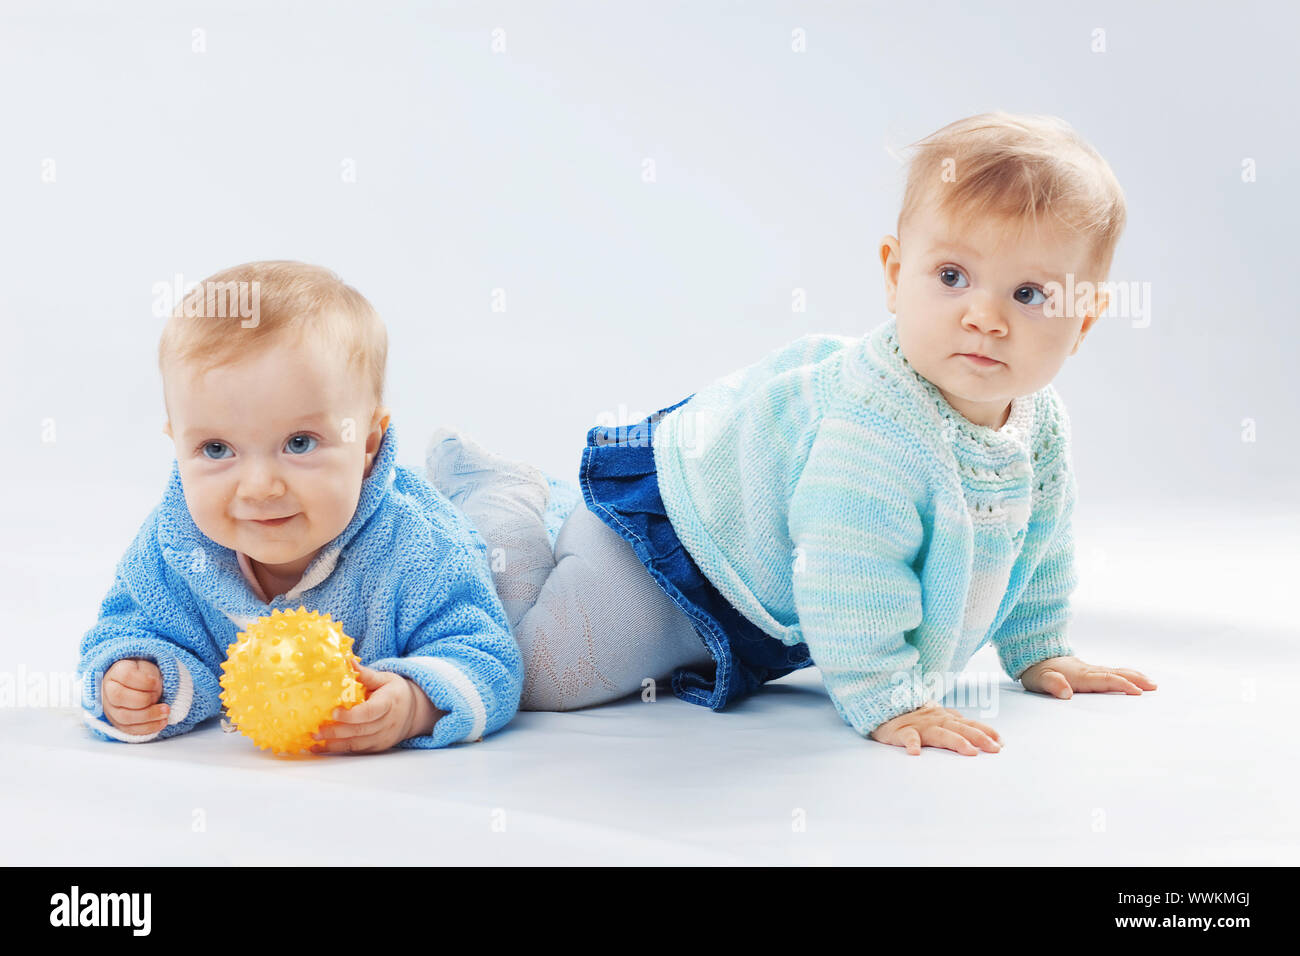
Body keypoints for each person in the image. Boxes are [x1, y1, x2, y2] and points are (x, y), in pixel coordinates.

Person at [429, 111, 1157, 756]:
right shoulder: (877, 425)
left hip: (750, 590)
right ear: (895, 274)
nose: (985, 317)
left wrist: (1038, 649)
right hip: (674, 546)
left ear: (1083, 319)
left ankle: (558, 512)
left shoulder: (1040, 424)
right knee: (545, 674)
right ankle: (511, 501)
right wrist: (887, 698)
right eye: (952, 276)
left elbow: (1039, 541)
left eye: (1028, 295)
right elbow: (845, 566)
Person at [77, 261, 532, 753]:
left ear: (368, 443)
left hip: (481, 537)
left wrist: (416, 704)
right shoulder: (175, 546)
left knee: (533, 602)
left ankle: (502, 486)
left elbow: (490, 659)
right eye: (215, 449)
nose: (259, 487)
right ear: (177, 443)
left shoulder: (420, 547)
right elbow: (132, 629)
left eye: (298, 443)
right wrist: (137, 680)